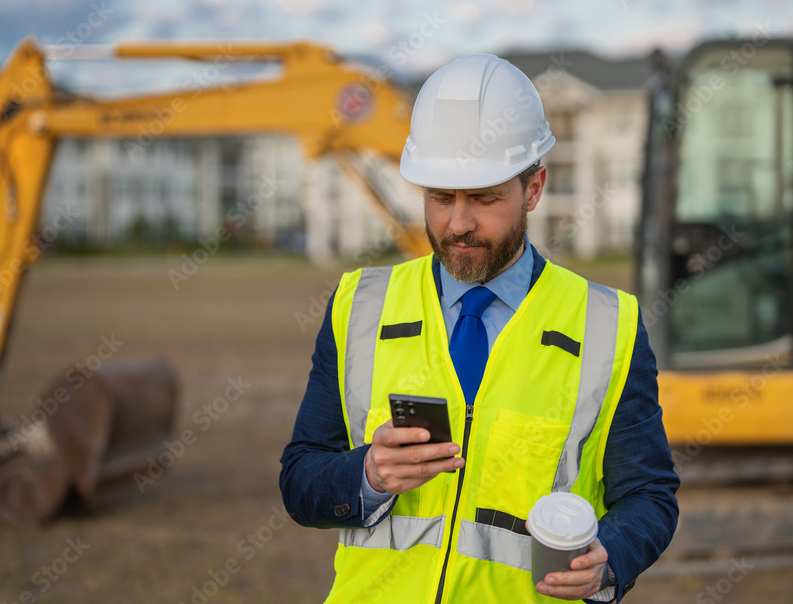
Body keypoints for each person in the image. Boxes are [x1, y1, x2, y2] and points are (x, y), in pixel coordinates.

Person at [280, 54, 679, 603]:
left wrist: (609, 557)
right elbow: (301, 480)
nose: (458, 223)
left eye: (485, 198)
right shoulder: (359, 308)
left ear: (534, 188)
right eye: (441, 197)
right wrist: (368, 474)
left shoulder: (610, 327)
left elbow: (649, 494)